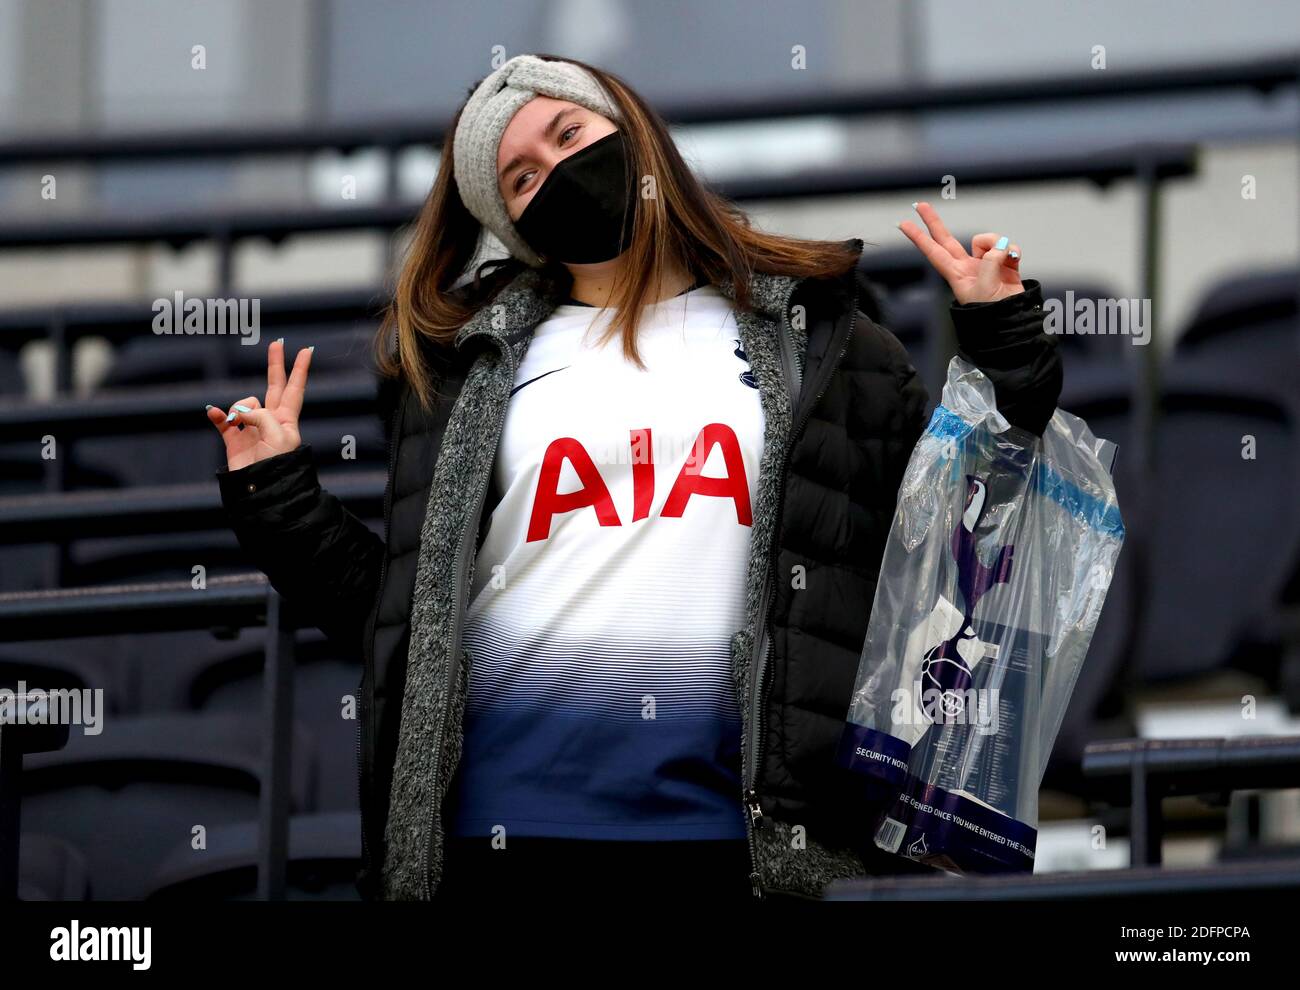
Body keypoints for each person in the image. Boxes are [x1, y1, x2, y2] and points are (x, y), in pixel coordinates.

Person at [206, 52, 1061, 903]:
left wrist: (1005, 342)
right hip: (510, 832)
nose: (558, 173)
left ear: (634, 130)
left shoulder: (831, 346)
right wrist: (279, 497)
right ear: (512, 227)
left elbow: (955, 536)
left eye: (570, 133)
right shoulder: (464, 374)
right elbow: (403, 627)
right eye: (520, 179)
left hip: (746, 839)